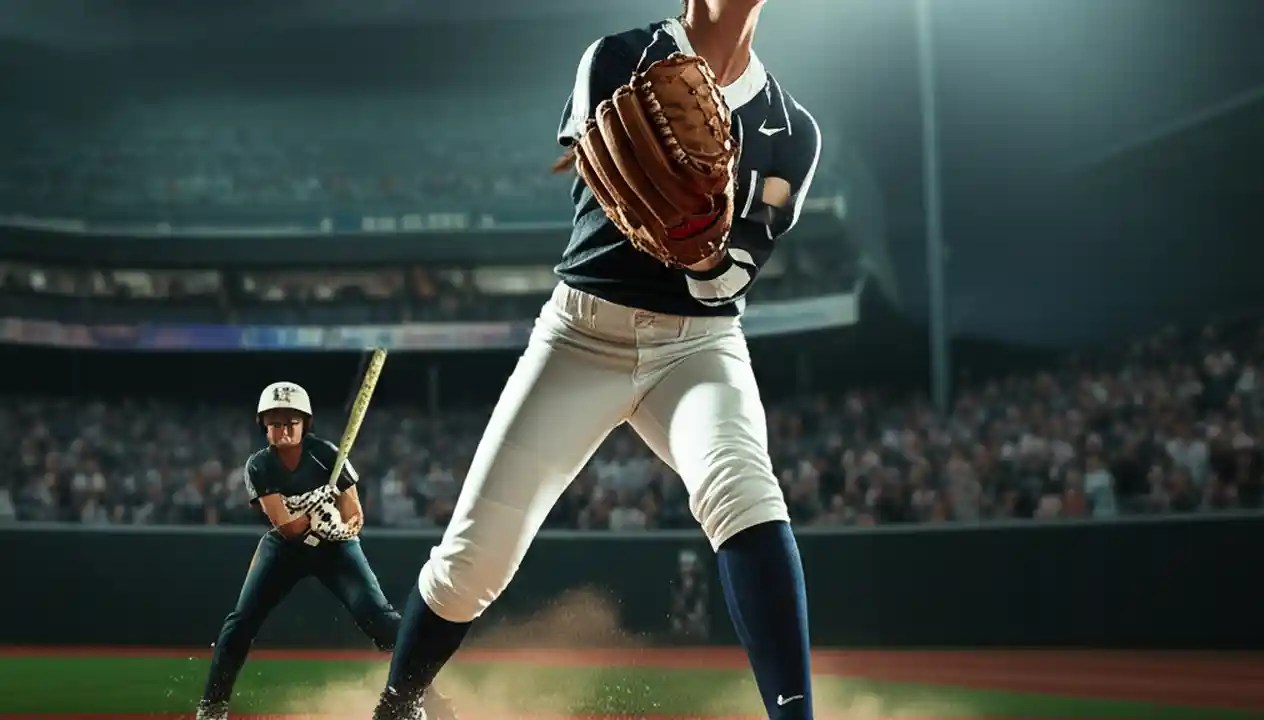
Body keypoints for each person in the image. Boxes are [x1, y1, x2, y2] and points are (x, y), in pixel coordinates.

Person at [373, 0, 821, 717]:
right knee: (472, 563)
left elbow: (736, 271)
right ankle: (399, 703)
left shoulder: (793, 133)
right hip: (581, 335)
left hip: (699, 344)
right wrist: (675, 208)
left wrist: (705, 244)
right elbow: (607, 175)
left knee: (744, 490)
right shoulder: (618, 57)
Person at [196, 382, 451, 720]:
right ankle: (212, 707)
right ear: (264, 426)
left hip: (335, 547)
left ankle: (421, 697)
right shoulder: (258, 466)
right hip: (284, 550)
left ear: (305, 424)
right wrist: (316, 505)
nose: (283, 429)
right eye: (275, 422)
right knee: (240, 623)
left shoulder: (329, 455)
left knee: (381, 619)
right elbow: (286, 526)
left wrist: (342, 526)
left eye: (291, 421)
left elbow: (354, 513)